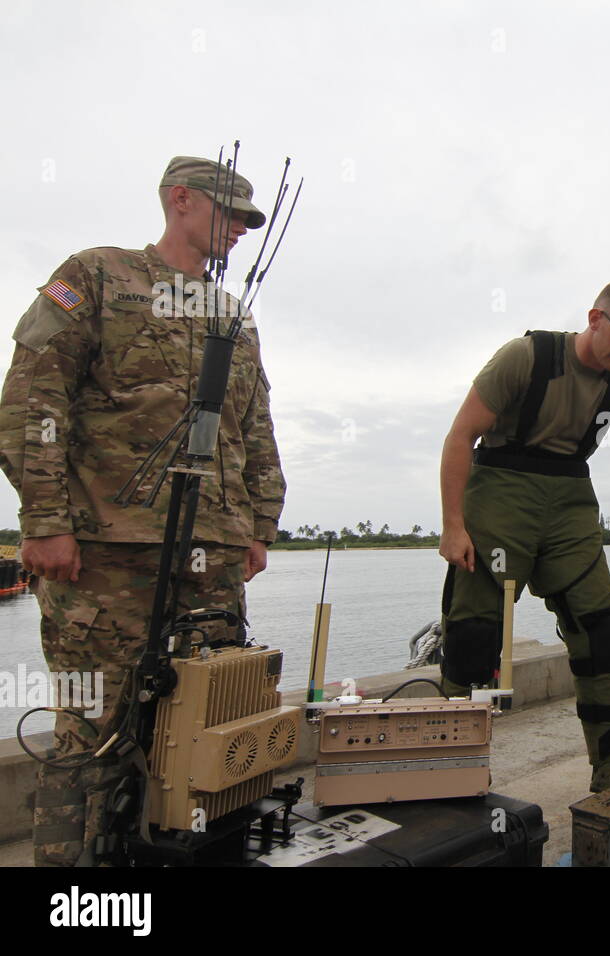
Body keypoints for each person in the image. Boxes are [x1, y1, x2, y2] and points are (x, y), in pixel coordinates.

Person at [0, 155, 285, 865]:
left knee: (197, 734)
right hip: (103, 559)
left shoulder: (233, 315)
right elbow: (33, 399)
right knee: (90, 738)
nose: (240, 232)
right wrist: (45, 520)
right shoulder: (97, 276)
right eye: (229, 214)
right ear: (179, 200)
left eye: (251, 222)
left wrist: (258, 526)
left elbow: (254, 427)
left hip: (210, 566)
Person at [438, 280, 610, 811]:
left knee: (605, 627)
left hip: (570, 496)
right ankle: (449, 770)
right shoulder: (526, 357)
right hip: (500, 489)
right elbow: (460, 435)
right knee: (475, 636)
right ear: (595, 317)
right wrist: (453, 525)